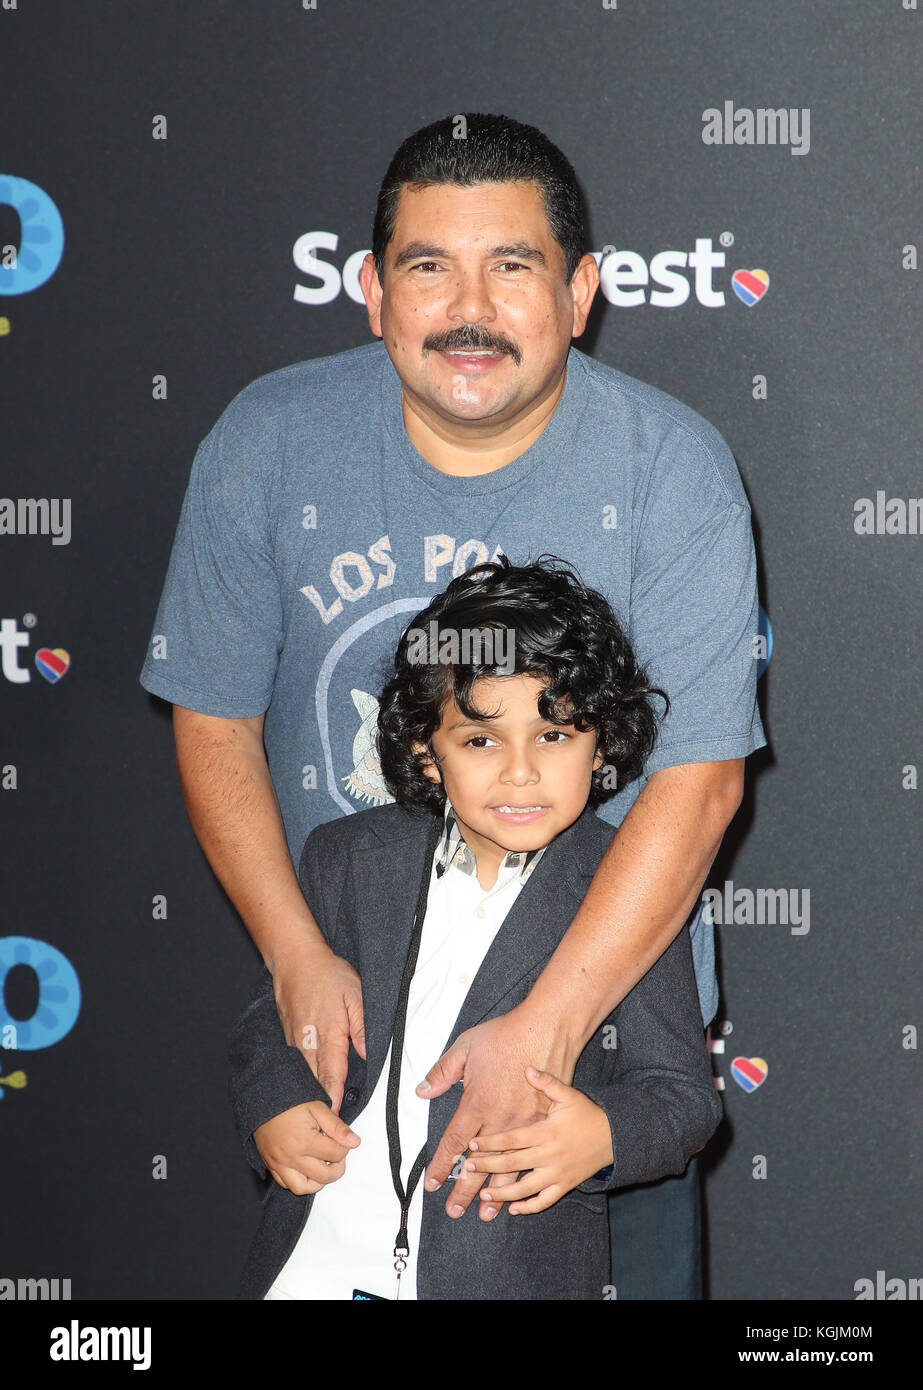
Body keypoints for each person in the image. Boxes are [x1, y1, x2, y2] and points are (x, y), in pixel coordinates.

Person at [140, 111, 766, 1298]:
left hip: (589, 1066)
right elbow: (213, 717)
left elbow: (698, 782)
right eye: (429, 266)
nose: (467, 307)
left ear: (581, 292)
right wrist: (292, 955)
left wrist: (546, 1027)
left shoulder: (666, 465)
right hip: (353, 1066)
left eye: (512, 266)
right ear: (371, 288)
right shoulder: (265, 443)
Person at [229, 556, 723, 1300]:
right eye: (481, 740)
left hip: (505, 1274)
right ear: (427, 754)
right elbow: (276, 1014)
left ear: (600, 746)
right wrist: (272, 1100)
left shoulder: (631, 894)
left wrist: (599, 1135)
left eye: (553, 737)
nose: (520, 772)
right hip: (315, 1255)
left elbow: (681, 1096)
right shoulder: (347, 857)